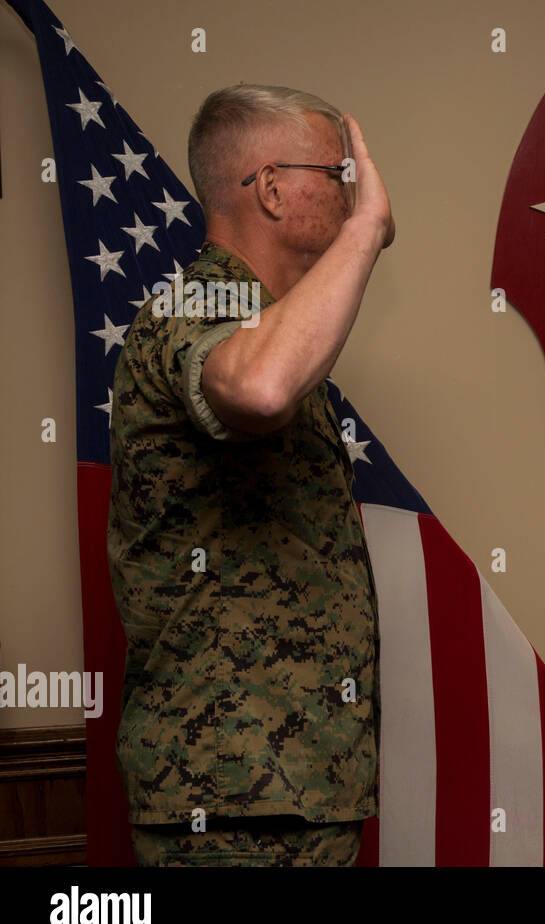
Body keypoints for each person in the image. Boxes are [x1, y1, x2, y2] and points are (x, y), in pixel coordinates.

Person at [107, 84, 396, 865]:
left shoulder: (267, 320)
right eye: (336, 173)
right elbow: (261, 389)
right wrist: (364, 230)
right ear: (270, 188)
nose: (355, 188)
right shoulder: (199, 309)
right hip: (229, 798)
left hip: (290, 790)